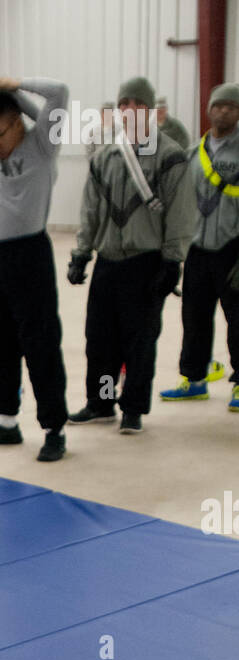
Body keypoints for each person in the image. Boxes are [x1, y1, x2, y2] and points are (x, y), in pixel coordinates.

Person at [67, 77, 196, 434]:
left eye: (137, 104)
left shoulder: (170, 156)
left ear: (151, 111)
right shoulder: (106, 155)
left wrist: (173, 260)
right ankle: (102, 402)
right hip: (108, 261)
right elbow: (90, 209)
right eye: (124, 104)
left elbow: (180, 212)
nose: (128, 110)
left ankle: (133, 408)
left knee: (139, 342)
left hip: (146, 261)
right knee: (101, 339)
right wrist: (81, 253)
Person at [0, 77, 70, 462]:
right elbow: (4, 125)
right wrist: (6, 102)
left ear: (18, 124)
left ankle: (54, 427)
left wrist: (17, 87)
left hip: (30, 256)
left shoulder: (43, 146)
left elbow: (58, 95)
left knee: (40, 342)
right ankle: (6, 421)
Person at [159, 83, 239, 413]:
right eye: (218, 106)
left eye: (231, 106)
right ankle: (194, 380)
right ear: (208, 110)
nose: (223, 111)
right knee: (194, 317)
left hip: (233, 249)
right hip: (197, 249)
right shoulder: (194, 153)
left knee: (238, 317)